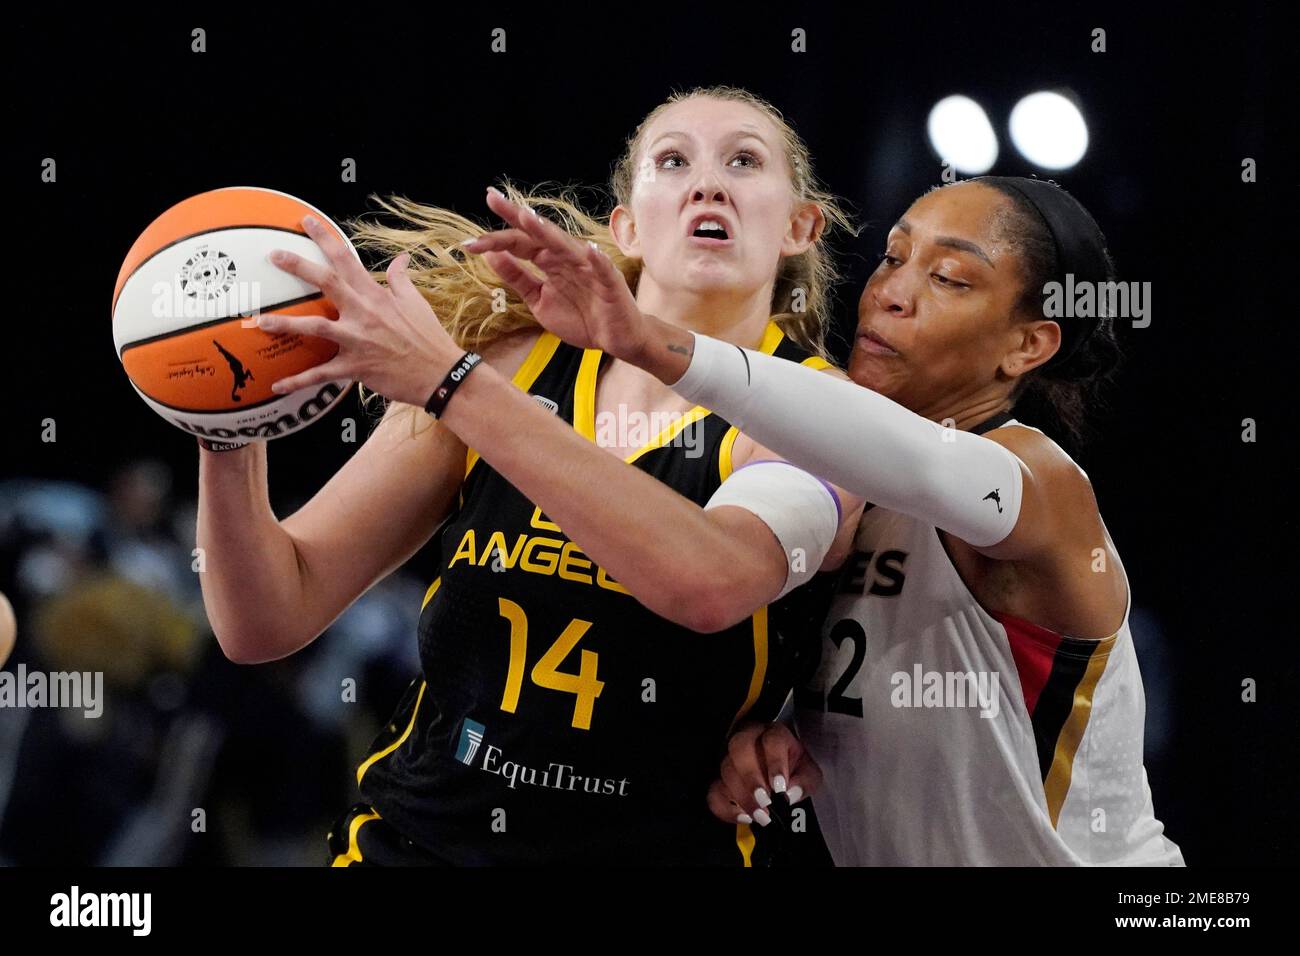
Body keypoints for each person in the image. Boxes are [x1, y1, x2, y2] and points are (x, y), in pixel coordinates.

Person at [195, 86, 864, 865]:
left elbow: (709, 583)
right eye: (673, 161)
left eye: (743, 162)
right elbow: (267, 617)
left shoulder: (824, 411)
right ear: (627, 225)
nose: (707, 183)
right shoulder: (514, 366)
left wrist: (453, 384)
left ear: (799, 226)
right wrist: (226, 429)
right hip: (414, 845)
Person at [467, 173, 1186, 865]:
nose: (893, 294)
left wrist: (653, 341)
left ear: (1027, 345)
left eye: (949, 279)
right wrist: (774, 738)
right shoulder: (843, 498)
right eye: (895, 257)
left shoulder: (1039, 479)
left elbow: (927, 463)